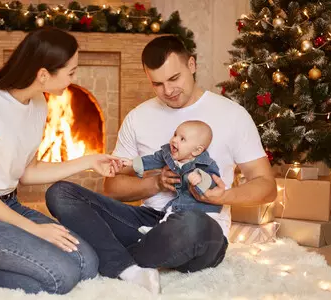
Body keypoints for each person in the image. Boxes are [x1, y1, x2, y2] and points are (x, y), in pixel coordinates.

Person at [45, 36, 276, 294]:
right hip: (148, 223)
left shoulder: (232, 115)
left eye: (174, 78)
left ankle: (109, 258)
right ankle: (127, 264)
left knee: (190, 223)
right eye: (157, 83)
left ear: (192, 64)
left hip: (201, 226)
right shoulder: (138, 117)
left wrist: (224, 196)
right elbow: (112, 188)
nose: (168, 91)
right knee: (60, 193)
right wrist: (155, 183)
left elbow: (266, 186)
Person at [0, 27, 123, 295]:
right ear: (42, 74)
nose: (74, 79)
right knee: (60, 277)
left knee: (87, 264)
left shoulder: (38, 103)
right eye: (71, 72)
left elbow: (27, 171)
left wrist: (90, 160)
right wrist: (35, 230)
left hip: (8, 204)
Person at [122, 120, 222, 235]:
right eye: (175, 134)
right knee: (171, 211)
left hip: (203, 209)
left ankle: (163, 233)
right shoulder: (168, 155)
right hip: (180, 205)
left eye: (182, 139)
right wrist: (132, 163)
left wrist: (201, 179)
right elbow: (151, 160)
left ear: (196, 150)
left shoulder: (206, 164)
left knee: (188, 222)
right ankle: (158, 231)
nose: (174, 140)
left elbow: (214, 182)